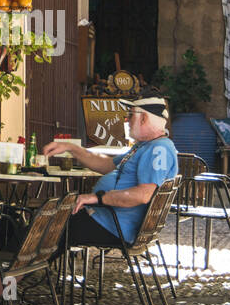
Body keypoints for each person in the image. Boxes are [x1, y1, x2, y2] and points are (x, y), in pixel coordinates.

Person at [42, 97, 178, 249]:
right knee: (52, 221)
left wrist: (96, 198)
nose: (126, 119)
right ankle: (22, 267)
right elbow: (105, 164)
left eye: (131, 114)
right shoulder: (145, 147)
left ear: (144, 118)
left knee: (51, 226)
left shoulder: (158, 149)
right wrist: (70, 148)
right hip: (107, 219)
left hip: (114, 226)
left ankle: (18, 269)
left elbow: (142, 195)